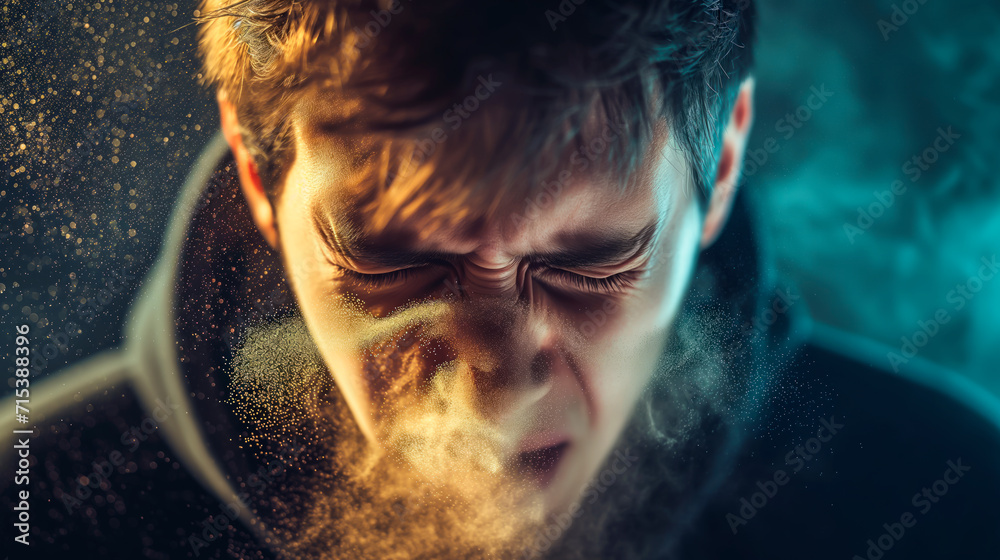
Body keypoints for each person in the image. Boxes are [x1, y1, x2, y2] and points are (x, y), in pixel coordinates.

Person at [3, 1, 1000, 558]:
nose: (492, 390)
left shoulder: (949, 507)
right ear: (261, 175)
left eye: (586, 262)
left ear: (725, 161)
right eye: (393, 263)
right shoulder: (36, 515)